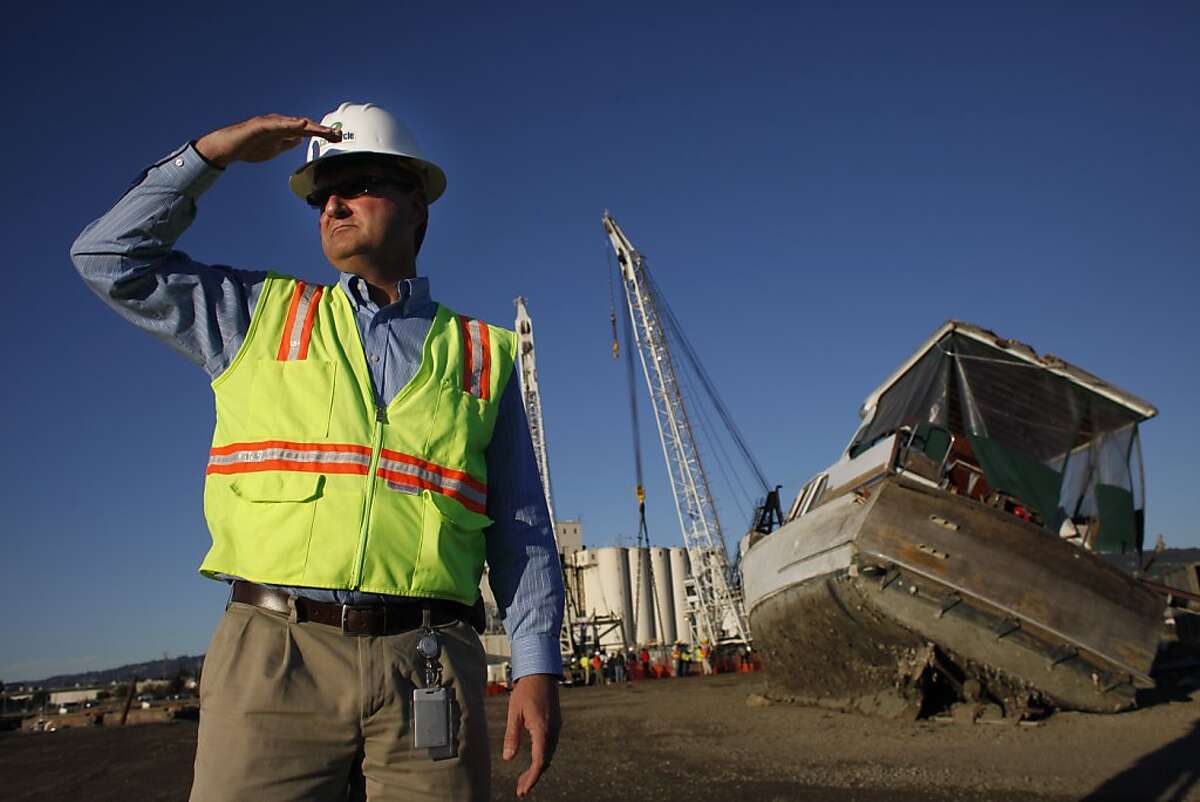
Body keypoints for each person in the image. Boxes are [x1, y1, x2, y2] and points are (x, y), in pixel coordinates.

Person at [71, 104, 565, 802]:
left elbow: (522, 530)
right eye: (320, 193)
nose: (332, 203)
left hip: (428, 661)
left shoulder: (484, 356)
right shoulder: (255, 316)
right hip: (276, 653)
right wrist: (212, 153)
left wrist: (537, 668)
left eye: (358, 183)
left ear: (417, 201)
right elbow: (105, 258)